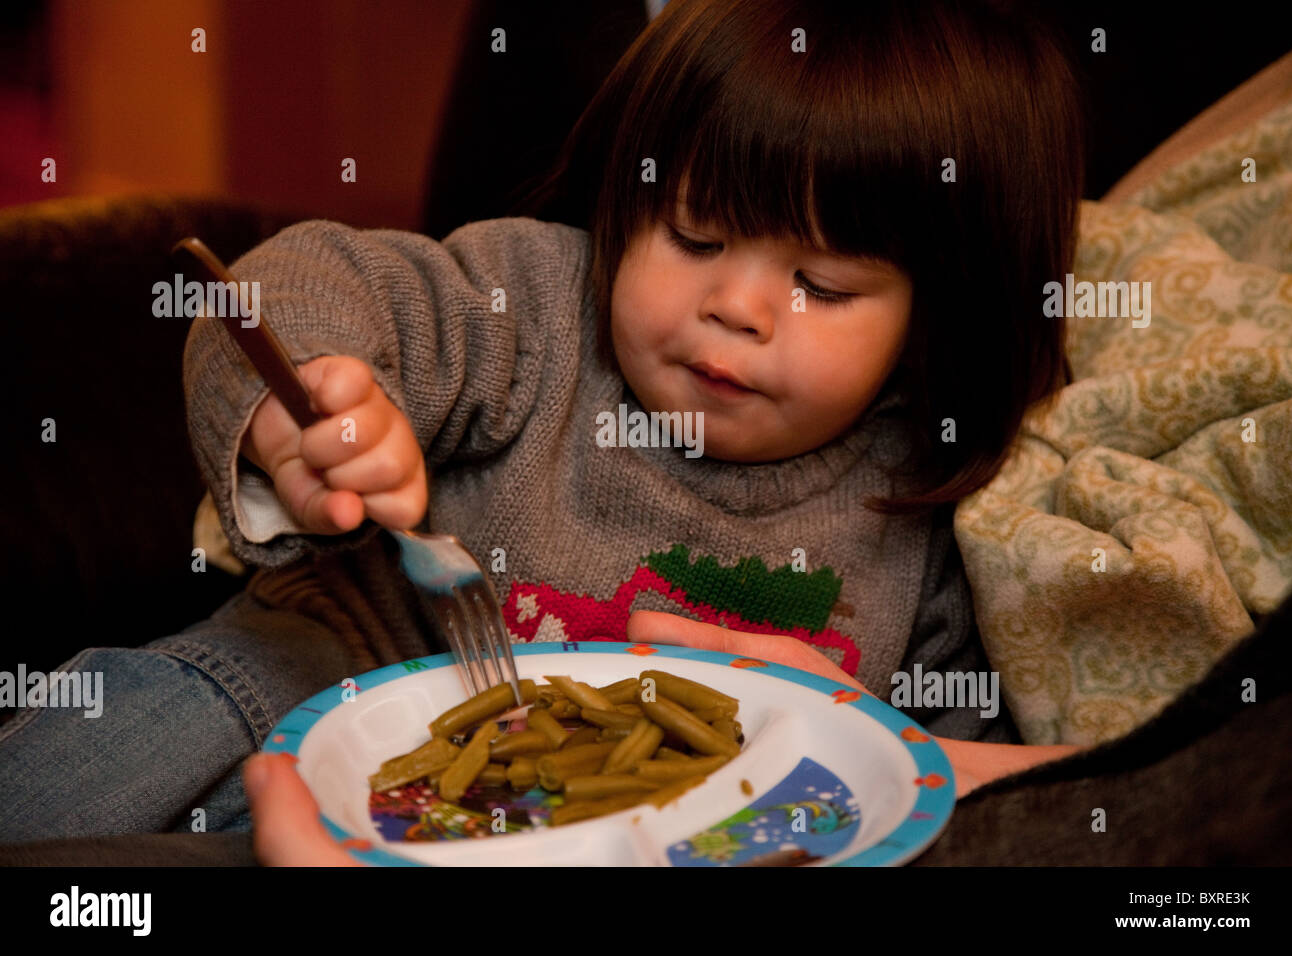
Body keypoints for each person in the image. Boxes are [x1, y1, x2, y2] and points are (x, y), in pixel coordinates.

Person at [0, 0, 1087, 848]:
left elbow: (953, 783)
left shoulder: (924, 503)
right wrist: (320, 399)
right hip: (297, 674)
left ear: (937, 315)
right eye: (696, 236)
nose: (737, 307)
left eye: (821, 281)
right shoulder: (536, 305)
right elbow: (307, 276)